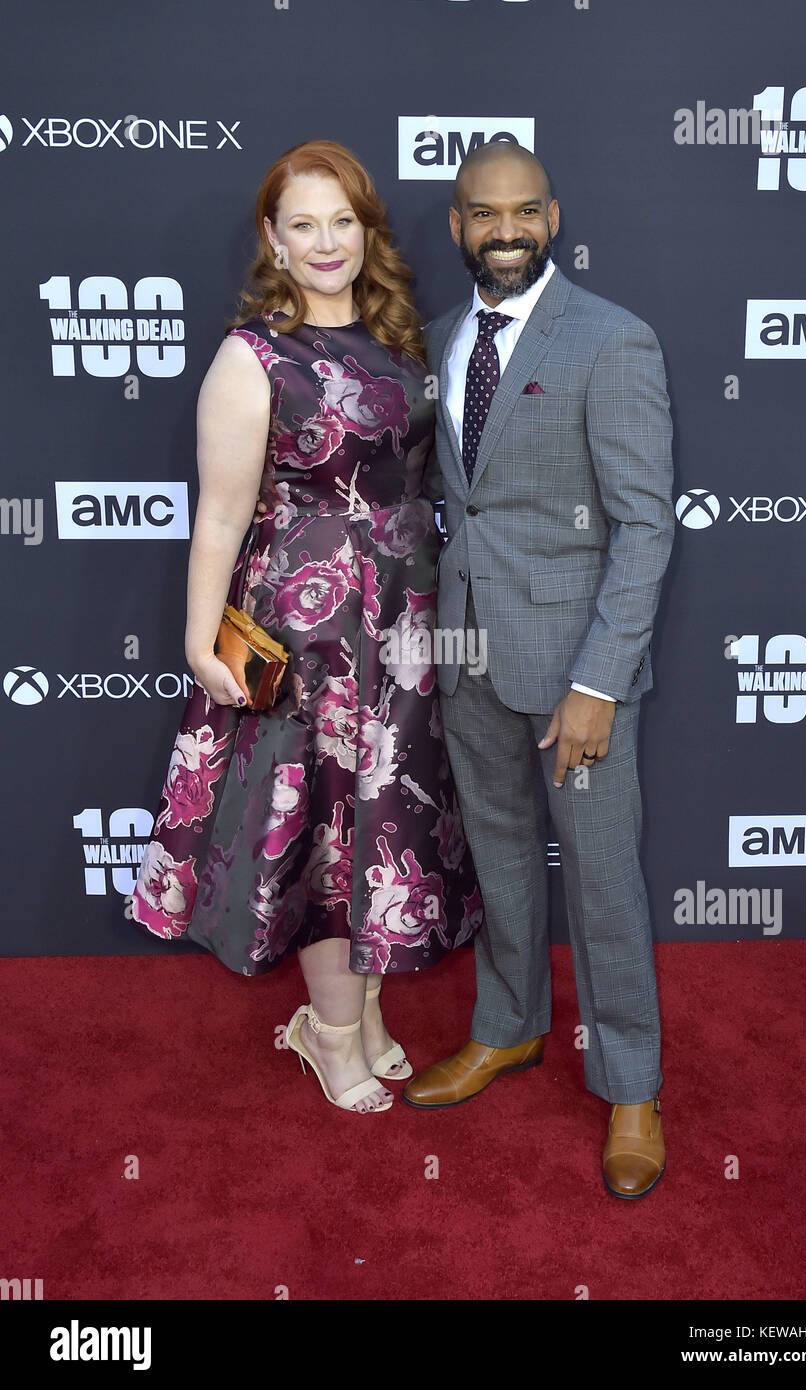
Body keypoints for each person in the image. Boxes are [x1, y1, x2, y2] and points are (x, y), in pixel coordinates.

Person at [130, 140, 483, 1115]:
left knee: (385, 825)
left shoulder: (400, 344)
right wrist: (202, 640)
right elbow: (219, 514)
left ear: (366, 232)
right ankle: (327, 1034)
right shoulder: (252, 357)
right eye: (303, 225)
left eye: (343, 221)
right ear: (273, 243)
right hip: (311, 632)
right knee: (329, 829)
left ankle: (359, 1014)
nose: (326, 241)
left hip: (407, 627)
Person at [406, 142, 675, 1199]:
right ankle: (507, 1029)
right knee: (501, 861)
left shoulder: (612, 341)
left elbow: (644, 528)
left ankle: (632, 1087)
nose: (504, 230)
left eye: (523, 212)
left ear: (551, 217)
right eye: (483, 213)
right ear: (456, 225)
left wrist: (598, 683)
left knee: (602, 884)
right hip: (465, 653)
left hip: (575, 672)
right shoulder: (438, 340)